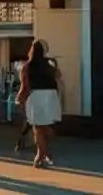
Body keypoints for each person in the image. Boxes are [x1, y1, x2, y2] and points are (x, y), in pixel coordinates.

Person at [16, 39, 61, 168]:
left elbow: (25, 86)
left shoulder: (27, 66)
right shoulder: (50, 65)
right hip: (51, 96)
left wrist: (20, 98)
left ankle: (44, 155)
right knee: (46, 127)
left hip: (35, 96)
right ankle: (41, 156)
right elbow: (58, 76)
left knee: (38, 129)